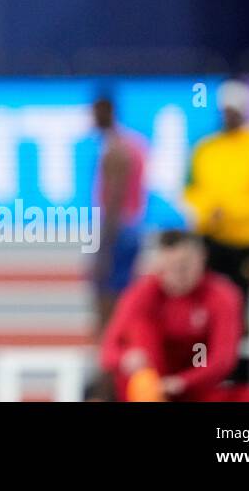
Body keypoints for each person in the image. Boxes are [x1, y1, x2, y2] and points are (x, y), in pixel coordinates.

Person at [182, 80, 249, 353]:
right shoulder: (206, 147)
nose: (229, 116)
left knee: (240, 302)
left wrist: (227, 212)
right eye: (225, 110)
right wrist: (208, 213)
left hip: (245, 239)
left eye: (234, 111)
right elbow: (191, 190)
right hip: (211, 238)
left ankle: (238, 366)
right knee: (205, 302)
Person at [100, 231, 249, 402]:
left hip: (199, 385)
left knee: (247, 396)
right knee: (141, 329)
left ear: (201, 259)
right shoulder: (143, 293)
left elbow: (223, 358)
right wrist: (125, 358)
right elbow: (108, 350)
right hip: (152, 384)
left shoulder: (221, 295)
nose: (177, 274)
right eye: (168, 267)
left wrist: (183, 382)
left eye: (184, 266)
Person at [89, 95, 147, 338]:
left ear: (106, 112)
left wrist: (103, 246)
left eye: (95, 113)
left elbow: (115, 198)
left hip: (117, 229)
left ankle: (109, 352)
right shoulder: (132, 143)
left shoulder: (115, 149)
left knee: (106, 290)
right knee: (124, 291)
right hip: (131, 226)